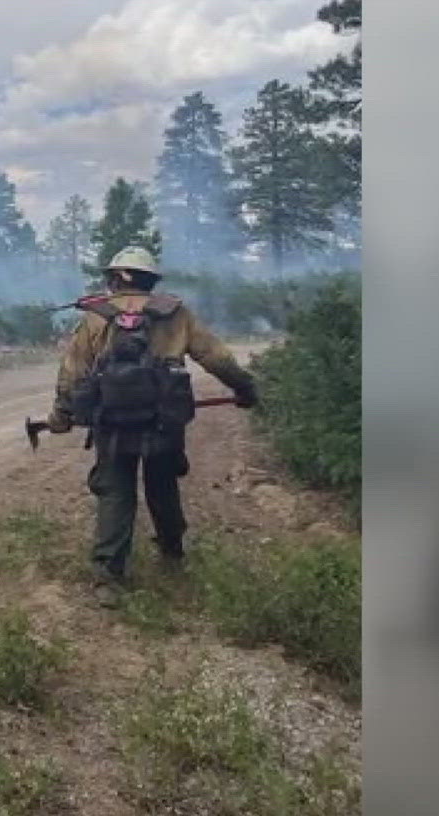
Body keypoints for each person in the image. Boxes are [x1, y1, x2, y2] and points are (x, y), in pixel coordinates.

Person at [44, 246, 259, 607]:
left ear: (118, 277)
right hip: (164, 421)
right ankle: (173, 556)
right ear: (150, 279)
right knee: (162, 486)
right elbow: (216, 357)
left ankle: (108, 578)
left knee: (115, 492)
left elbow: (73, 372)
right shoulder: (175, 313)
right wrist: (244, 388)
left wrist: (61, 415)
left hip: (112, 424)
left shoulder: (97, 317)